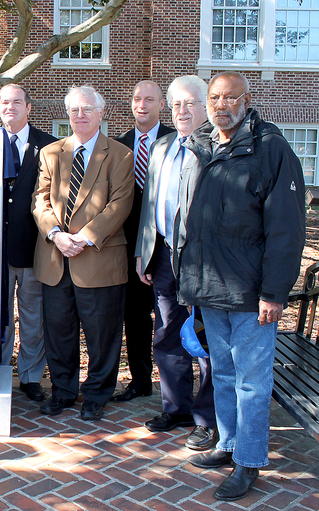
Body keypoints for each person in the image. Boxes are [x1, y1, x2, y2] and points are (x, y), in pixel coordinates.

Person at [176, 71, 305, 501]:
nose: (222, 105)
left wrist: (274, 292)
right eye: (215, 98)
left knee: (252, 380)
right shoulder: (206, 146)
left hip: (252, 294)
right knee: (225, 374)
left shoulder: (271, 149)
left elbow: (286, 230)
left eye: (231, 97)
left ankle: (250, 460)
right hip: (212, 288)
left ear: (247, 100)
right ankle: (228, 444)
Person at [32, 86, 134, 421]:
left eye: (87, 109)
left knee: (101, 334)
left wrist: (85, 238)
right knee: (59, 332)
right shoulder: (51, 153)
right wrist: (57, 235)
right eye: (75, 110)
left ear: (101, 113)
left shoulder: (120, 154)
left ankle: (96, 395)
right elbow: (41, 199)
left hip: (99, 261)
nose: (80, 115)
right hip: (55, 259)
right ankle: (63, 391)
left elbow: (119, 205)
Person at [134, 76, 217, 450]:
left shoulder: (218, 146)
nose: (183, 111)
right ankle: (176, 407)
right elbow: (150, 206)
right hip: (164, 255)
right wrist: (143, 251)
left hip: (207, 262)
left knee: (205, 338)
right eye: (177, 104)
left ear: (206, 107)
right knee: (168, 332)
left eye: (190, 104)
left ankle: (207, 418)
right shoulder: (163, 145)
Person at [113, 81, 175, 402]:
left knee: (168, 317)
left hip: (165, 247)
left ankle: (174, 387)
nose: (142, 104)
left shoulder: (175, 140)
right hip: (128, 248)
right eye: (137, 98)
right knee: (135, 316)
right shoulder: (120, 146)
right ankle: (140, 381)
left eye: (149, 99)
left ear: (161, 104)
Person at [0, 84, 57, 402]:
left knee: (33, 318)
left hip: (35, 248)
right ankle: (0, 371)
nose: (10, 107)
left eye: (17, 102)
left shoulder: (48, 145)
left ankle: (31, 376)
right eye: (4, 102)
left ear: (28, 107)